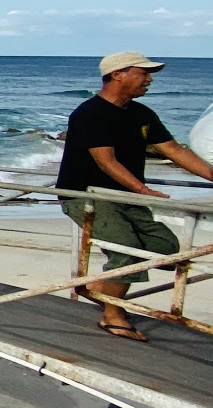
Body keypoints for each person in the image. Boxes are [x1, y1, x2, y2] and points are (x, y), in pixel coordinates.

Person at [56, 51, 213, 341]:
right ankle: (112, 315)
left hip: (127, 196)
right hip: (87, 195)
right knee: (126, 250)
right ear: (118, 74)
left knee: (166, 250)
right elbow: (106, 161)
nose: (149, 80)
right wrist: (142, 189)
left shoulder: (142, 114)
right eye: (143, 73)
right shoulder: (91, 113)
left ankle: (97, 289)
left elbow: (174, 150)